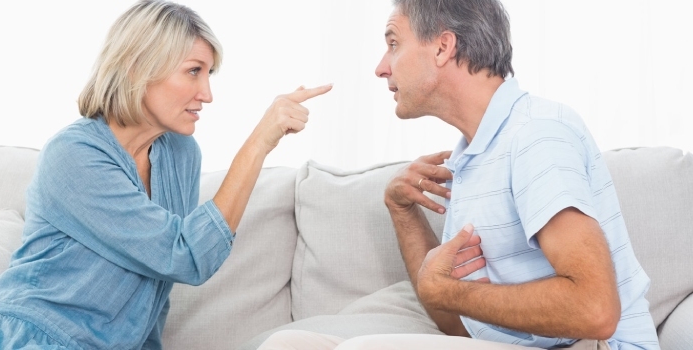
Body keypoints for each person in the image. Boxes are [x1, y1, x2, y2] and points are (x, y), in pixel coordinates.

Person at [257, 0, 658, 349]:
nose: (381, 68)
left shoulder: (536, 133)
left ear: (443, 47)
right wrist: (402, 212)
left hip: (598, 345)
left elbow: (595, 311)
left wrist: (447, 289)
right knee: (285, 343)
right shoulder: (472, 155)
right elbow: (458, 325)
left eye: (393, 43)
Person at [0, 1, 331, 349]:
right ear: (138, 67)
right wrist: (257, 145)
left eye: (209, 74)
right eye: (193, 71)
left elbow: (152, 292)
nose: (207, 93)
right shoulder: (73, 155)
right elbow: (184, 256)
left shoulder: (180, 154)